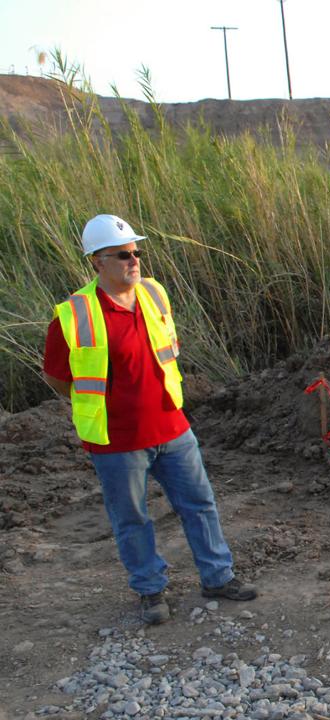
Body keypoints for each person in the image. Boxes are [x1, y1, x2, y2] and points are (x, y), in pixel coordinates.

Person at [42, 214, 257, 625]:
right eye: (123, 255)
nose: (134, 260)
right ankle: (150, 590)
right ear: (97, 262)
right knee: (132, 519)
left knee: (200, 504)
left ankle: (218, 577)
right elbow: (55, 377)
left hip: (172, 426)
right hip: (116, 439)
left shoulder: (154, 295)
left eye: (137, 252)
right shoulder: (74, 315)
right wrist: (96, 403)